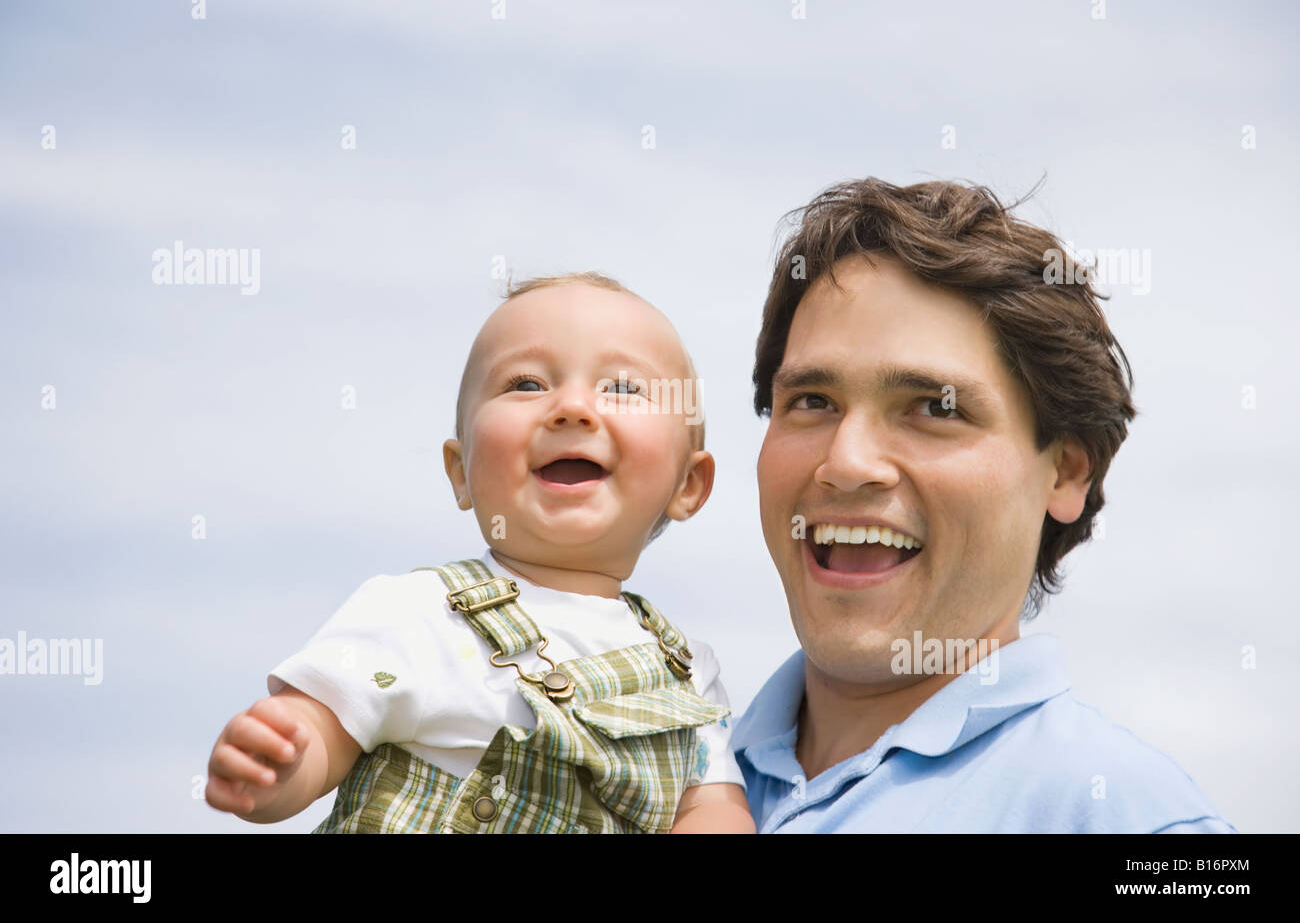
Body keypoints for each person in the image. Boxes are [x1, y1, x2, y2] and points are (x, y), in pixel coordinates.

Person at [734, 178, 1236, 833]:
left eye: (932, 409)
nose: (848, 463)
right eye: (813, 401)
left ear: (1066, 471)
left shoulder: (1139, 825)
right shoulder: (648, 771)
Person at [205, 272, 754, 833]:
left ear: (689, 484)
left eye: (622, 387)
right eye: (526, 384)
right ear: (460, 472)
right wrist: (278, 761)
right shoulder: (416, 611)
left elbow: (711, 806)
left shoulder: (685, 671)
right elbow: (322, 729)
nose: (572, 408)